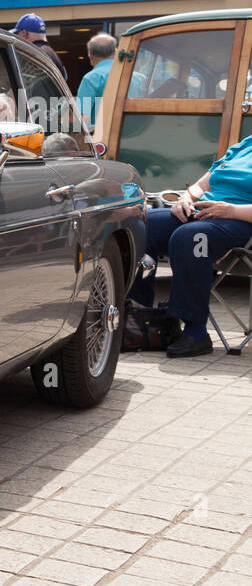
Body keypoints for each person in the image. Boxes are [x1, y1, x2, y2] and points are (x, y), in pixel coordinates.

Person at [127, 139, 252, 357]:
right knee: (140, 222)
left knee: (192, 237)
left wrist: (231, 210)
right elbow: (203, 185)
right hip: (206, 211)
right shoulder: (245, 145)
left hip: (241, 220)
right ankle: (140, 319)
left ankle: (196, 332)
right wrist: (184, 199)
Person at [76, 33, 117, 127]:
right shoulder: (137, 77)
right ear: (115, 53)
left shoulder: (91, 79)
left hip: (103, 137)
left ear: (90, 55)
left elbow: (83, 118)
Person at [13, 13, 67, 82]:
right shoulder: (52, 54)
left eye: (17, 33)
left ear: (24, 33)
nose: (17, 37)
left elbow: (22, 85)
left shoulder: (32, 54)